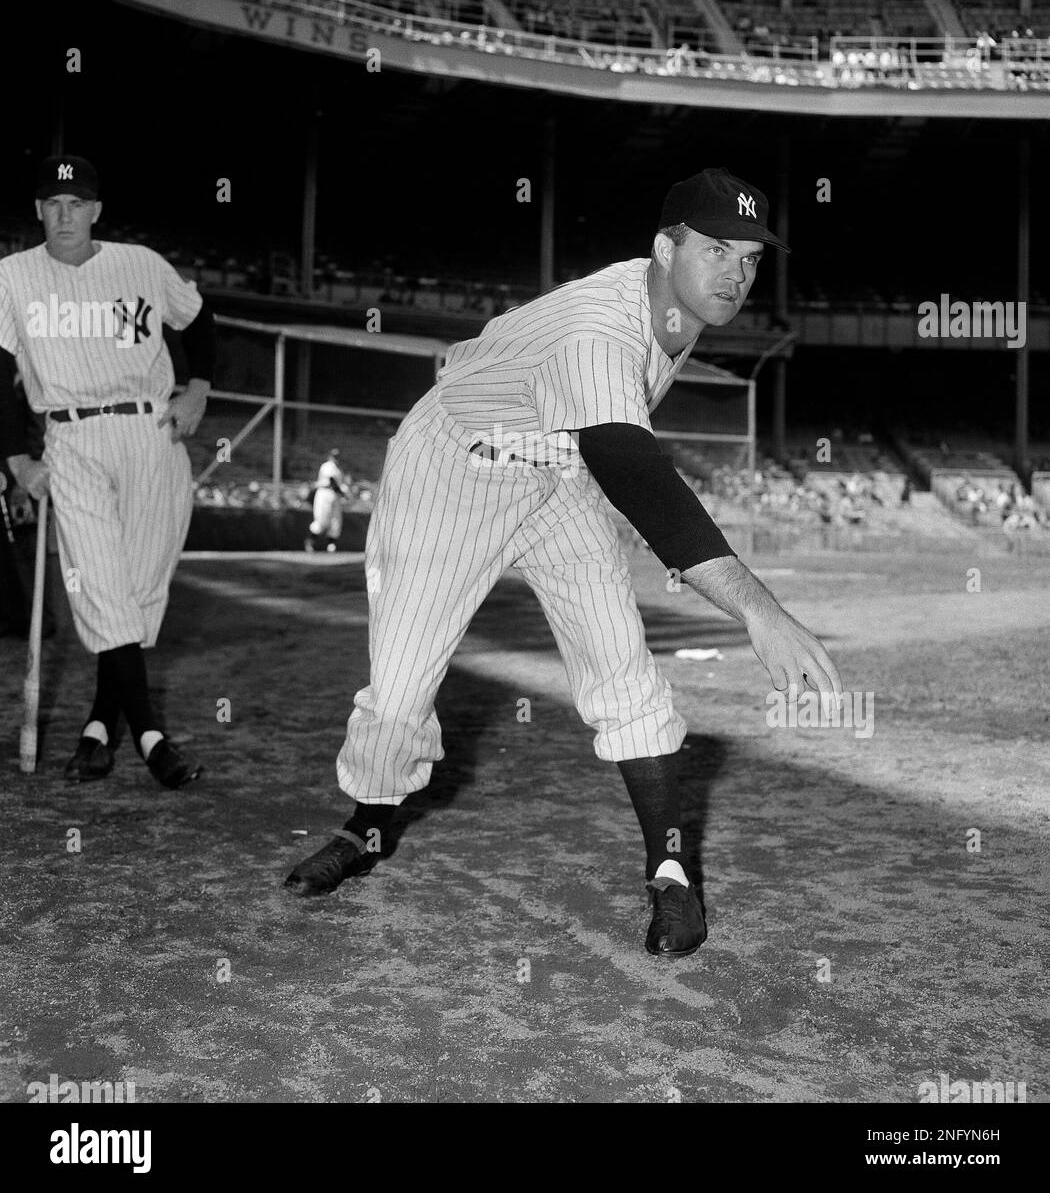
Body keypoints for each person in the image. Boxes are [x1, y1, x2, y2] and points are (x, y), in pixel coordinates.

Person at [285, 167, 842, 960]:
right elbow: (637, 474)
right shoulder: (601, 325)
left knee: (622, 665)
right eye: (716, 248)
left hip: (560, 467)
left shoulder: (679, 308)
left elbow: (601, 443)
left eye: (751, 258)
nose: (737, 273)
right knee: (401, 689)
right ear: (662, 247)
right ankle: (368, 828)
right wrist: (758, 607)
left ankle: (673, 871)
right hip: (456, 463)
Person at [0, 155, 215, 788]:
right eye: (52, 204)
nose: (64, 215)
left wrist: (198, 389)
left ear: (96, 210)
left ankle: (99, 726)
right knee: (99, 585)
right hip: (71, 438)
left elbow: (199, 316)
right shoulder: (11, 276)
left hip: (150, 433)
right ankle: (151, 737)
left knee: (138, 593)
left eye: (77, 203)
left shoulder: (141, 264)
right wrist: (16, 458)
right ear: (38, 211)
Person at [306, 447, 350, 553]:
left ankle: (331, 545)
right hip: (324, 493)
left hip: (335, 495)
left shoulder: (339, 469)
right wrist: (342, 492)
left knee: (336, 520)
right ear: (330, 456)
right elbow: (332, 481)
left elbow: (339, 483)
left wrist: (342, 492)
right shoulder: (327, 465)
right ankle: (310, 542)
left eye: (338, 456)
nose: (336, 458)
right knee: (321, 519)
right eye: (334, 456)